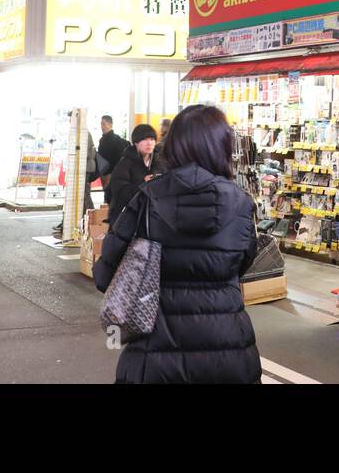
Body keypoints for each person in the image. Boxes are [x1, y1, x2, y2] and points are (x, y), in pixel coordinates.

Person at [93, 104, 261, 384]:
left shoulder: (147, 198)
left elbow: (105, 273)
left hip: (155, 351)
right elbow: (244, 261)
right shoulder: (240, 203)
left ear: (174, 146)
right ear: (222, 147)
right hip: (229, 348)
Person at [104, 124, 159, 225]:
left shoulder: (158, 162)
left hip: (150, 217)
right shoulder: (125, 163)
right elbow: (119, 190)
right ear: (136, 142)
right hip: (126, 218)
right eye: (145, 139)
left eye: (152, 139)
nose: (149, 143)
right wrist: (143, 184)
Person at [96, 115, 127, 204]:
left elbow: (120, 158)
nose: (102, 126)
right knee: (107, 197)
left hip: (111, 174)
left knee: (112, 198)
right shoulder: (102, 140)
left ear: (110, 124)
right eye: (101, 124)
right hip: (104, 173)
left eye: (104, 124)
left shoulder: (116, 140)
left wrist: (114, 173)